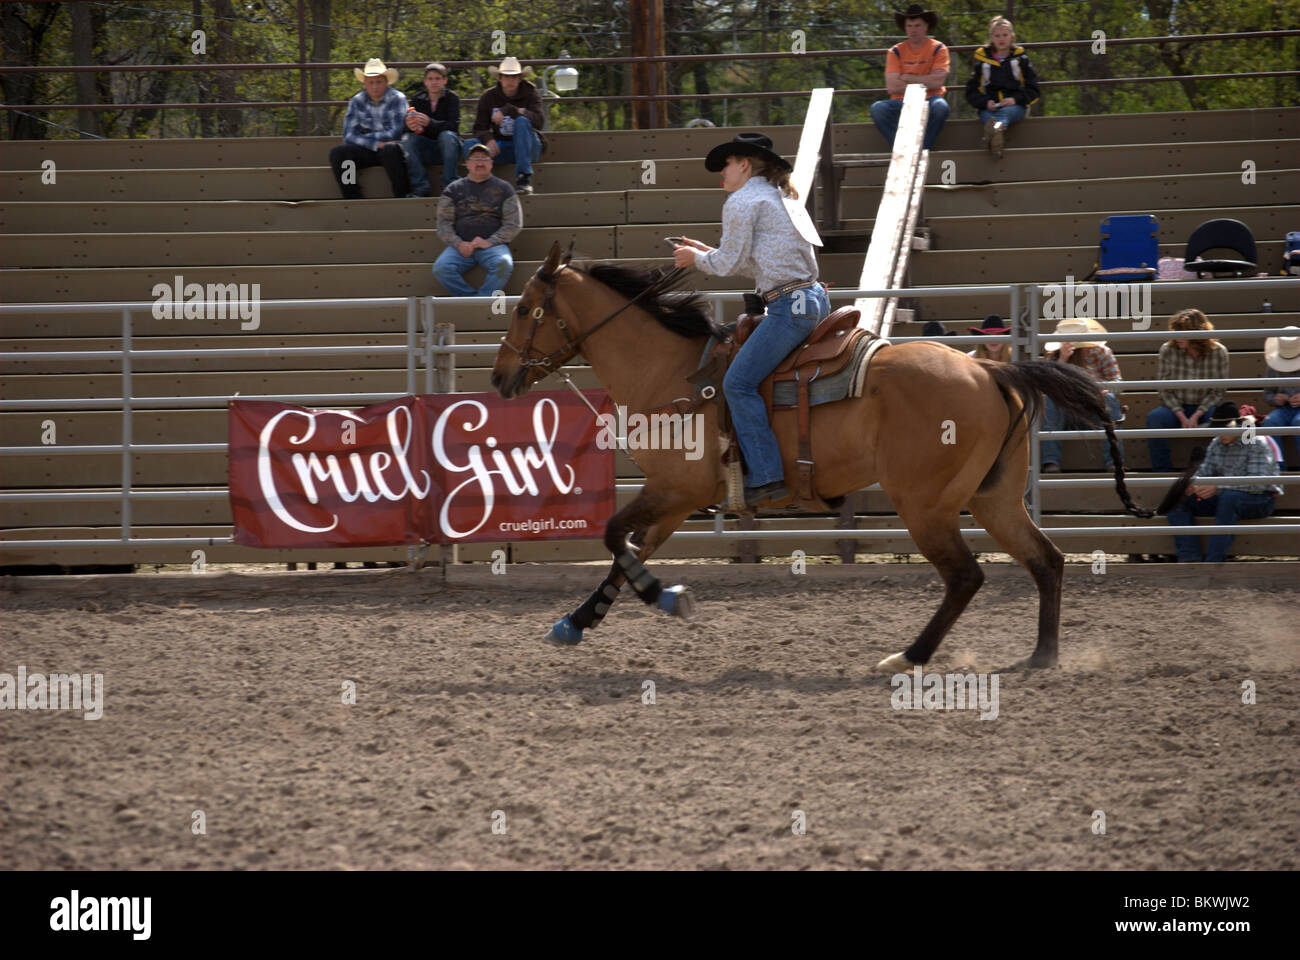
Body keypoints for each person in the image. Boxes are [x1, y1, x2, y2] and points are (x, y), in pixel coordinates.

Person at [672, 132, 831, 508]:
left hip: (788, 306)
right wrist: (707, 252)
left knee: (738, 383)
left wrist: (697, 260)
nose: (721, 174)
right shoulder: (780, 197)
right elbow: (751, 262)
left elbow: (729, 265)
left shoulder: (743, 201)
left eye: (726, 165)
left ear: (744, 164)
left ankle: (766, 476)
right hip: (812, 300)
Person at [1164, 402, 1281, 563]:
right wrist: (1193, 485)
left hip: (1260, 499)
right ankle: (1189, 559)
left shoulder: (1257, 442)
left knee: (1229, 499)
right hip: (1229, 497)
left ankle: (1213, 562)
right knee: (1177, 499)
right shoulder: (1216, 443)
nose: (1221, 434)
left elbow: (1259, 484)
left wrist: (1218, 488)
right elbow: (1204, 472)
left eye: (1224, 429)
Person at [432, 143, 522, 297]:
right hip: (460, 246)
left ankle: (482, 299)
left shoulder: (504, 188)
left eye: (484, 159)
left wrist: (491, 241)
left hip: (493, 246)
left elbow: (513, 223)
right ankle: (469, 300)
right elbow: (443, 224)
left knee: (504, 264)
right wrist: (458, 243)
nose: (480, 163)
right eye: (475, 159)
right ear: (467, 164)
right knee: (441, 268)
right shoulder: (452, 189)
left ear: (491, 163)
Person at [1145, 308, 1229, 471]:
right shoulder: (1167, 350)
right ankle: (1162, 471)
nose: (1176, 336)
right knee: (1154, 419)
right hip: (1176, 408)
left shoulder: (1219, 352)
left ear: (1197, 333)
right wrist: (1182, 416)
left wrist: (1198, 414)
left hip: (1206, 408)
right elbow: (1164, 389)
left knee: (1221, 421)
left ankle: (1215, 470)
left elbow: (1218, 391)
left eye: (1181, 332)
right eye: (1175, 331)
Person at [1038, 318, 1124, 472]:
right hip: (1065, 414)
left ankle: (1114, 461)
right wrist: (1062, 360)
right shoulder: (1054, 356)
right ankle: (1051, 461)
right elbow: (1047, 386)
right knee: (1051, 400)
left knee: (1110, 399)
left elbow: (1117, 382)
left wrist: (1103, 389)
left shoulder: (1102, 352)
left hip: (1093, 411)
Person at [870, 5, 950, 152]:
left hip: (930, 100)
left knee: (941, 107)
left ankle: (923, 149)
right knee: (878, 109)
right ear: (905, 28)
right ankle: (902, 149)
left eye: (918, 25)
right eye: (909, 26)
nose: (913, 30)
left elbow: (937, 82)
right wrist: (926, 80)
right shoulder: (895, 51)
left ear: (926, 26)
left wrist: (907, 77)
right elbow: (893, 86)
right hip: (901, 101)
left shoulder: (939, 48)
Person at [329, 59, 410, 199]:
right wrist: (376, 144)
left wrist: (367, 137)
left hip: (392, 150)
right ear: (365, 83)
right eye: (371, 82)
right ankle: (352, 197)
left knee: (391, 149)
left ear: (386, 82)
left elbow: (397, 130)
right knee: (339, 154)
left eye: (379, 82)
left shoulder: (398, 98)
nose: (375, 87)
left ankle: (402, 196)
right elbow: (348, 135)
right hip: (368, 150)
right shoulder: (357, 101)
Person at [469, 57, 546, 196]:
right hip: (503, 147)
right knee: (470, 144)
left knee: (521, 121)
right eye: (507, 76)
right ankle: (479, 182)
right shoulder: (488, 96)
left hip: (529, 148)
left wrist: (510, 110)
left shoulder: (530, 92)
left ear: (520, 78)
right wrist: (489, 140)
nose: (510, 80)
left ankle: (524, 179)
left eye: (514, 77)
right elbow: (479, 127)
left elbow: (539, 122)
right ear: (500, 78)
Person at [964, 16, 1039, 158]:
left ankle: (991, 136)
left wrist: (1015, 99)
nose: (1001, 39)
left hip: (1015, 106)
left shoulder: (1020, 59)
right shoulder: (982, 60)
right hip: (989, 107)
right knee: (988, 116)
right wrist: (985, 102)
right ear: (991, 38)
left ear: (1012, 37)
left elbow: (1033, 88)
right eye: (997, 36)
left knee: (1004, 114)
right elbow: (971, 90)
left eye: (1005, 35)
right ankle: (996, 144)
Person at [401, 62, 464, 197]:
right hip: (427, 147)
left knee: (447, 136)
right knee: (407, 139)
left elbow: (453, 126)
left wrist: (430, 123)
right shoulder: (418, 99)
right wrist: (410, 125)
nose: (434, 82)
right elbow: (407, 129)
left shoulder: (452, 98)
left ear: (444, 80)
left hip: (449, 147)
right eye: (430, 79)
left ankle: (450, 184)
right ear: (425, 82)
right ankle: (421, 186)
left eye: (437, 79)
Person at [1261, 326, 1300, 466]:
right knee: (1270, 422)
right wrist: (1276, 399)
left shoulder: (1273, 362)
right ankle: (1278, 470)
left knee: (1298, 423)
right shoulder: (1272, 365)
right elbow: (1267, 394)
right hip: (1283, 409)